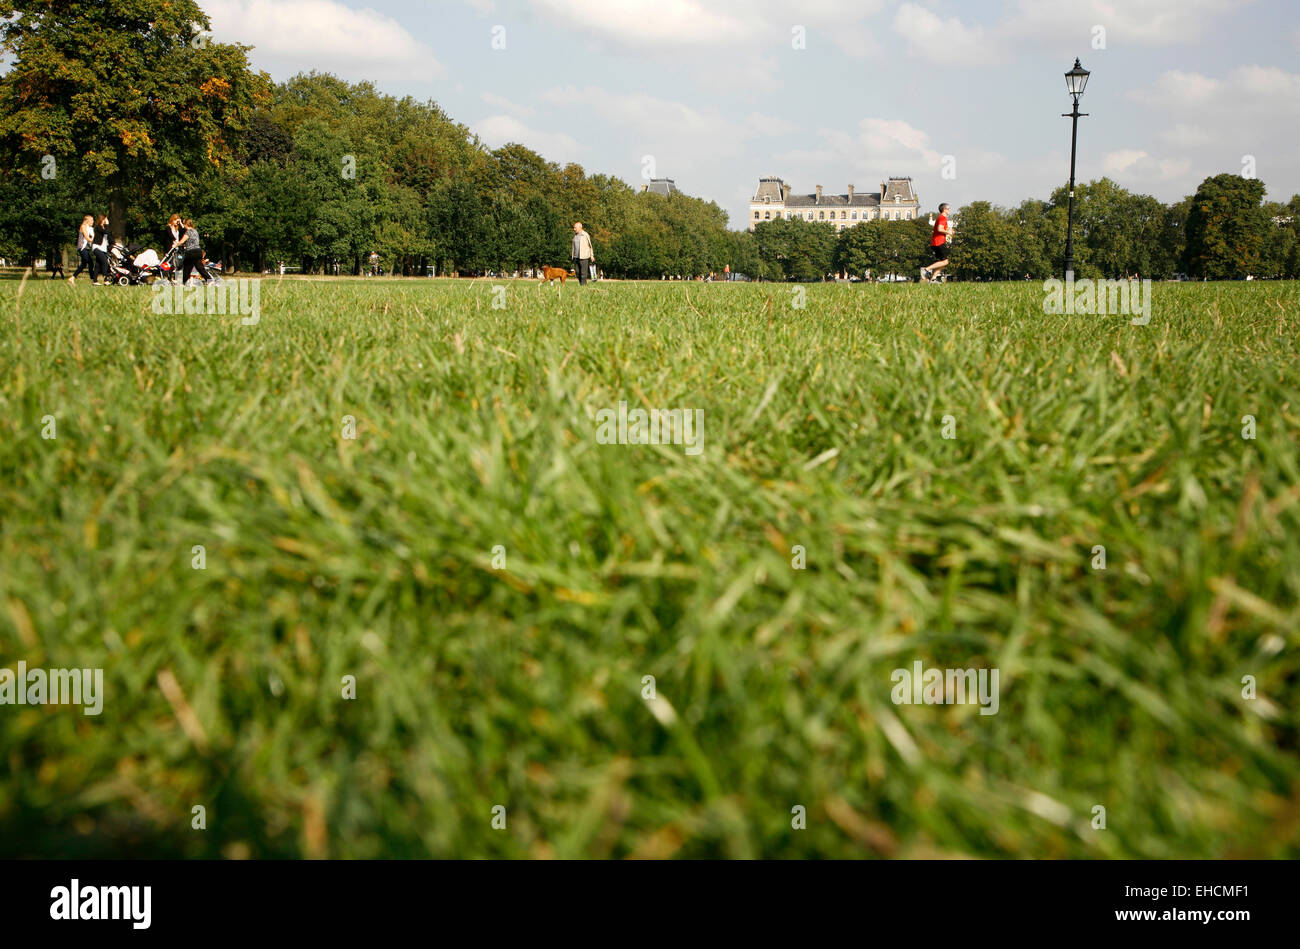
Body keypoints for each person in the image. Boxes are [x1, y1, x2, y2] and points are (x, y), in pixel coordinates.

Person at [921, 203, 952, 282]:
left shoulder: (941, 218)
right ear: (944, 210)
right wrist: (948, 232)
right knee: (946, 261)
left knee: (941, 262)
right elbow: (939, 229)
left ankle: (933, 279)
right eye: (948, 209)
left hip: (936, 242)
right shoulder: (942, 218)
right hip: (939, 242)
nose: (949, 210)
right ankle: (926, 269)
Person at [180, 218, 211, 285]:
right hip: (198, 251)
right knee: (200, 268)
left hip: (191, 252)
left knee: (187, 268)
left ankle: (183, 283)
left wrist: (176, 245)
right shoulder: (195, 231)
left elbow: (182, 241)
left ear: (186, 224)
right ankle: (210, 281)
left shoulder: (188, 232)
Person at [69, 215, 96, 283]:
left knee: (84, 264)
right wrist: (95, 241)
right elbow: (87, 238)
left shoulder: (90, 228)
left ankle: (72, 278)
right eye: (92, 220)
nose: (93, 222)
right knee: (90, 262)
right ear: (87, 221)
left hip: (86, 248)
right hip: (82, 248)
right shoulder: (83, 227)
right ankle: (93, 279)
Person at [91, 214, 111, 285]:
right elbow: (106, 232)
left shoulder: (103, 227)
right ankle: (105, 280)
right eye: (105, 219)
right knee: (105, 262)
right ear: (102, 219)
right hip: (97, 247)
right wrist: (108, 224)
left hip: (103, 249)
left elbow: (108, 234)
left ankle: (95, 281)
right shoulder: (98, 227)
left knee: (98, 265)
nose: (106, 220)